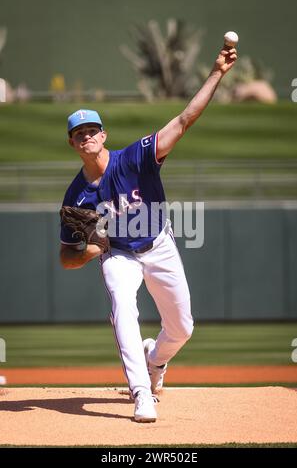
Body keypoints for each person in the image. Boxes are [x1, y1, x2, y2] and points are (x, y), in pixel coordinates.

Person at [60, 44, 237, 422]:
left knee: (183, 327)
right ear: (72, 143)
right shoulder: (77, 195)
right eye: (79, 133)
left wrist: (217, 73)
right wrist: (90, 252)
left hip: (158, 244)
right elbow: (66, 257)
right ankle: (141, 393)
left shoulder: (136, 157)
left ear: (103, 135)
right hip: (118, 254)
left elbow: (185, 119)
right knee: (123, 306)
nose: (87, 137)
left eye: (92, 130)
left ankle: (154, 360)